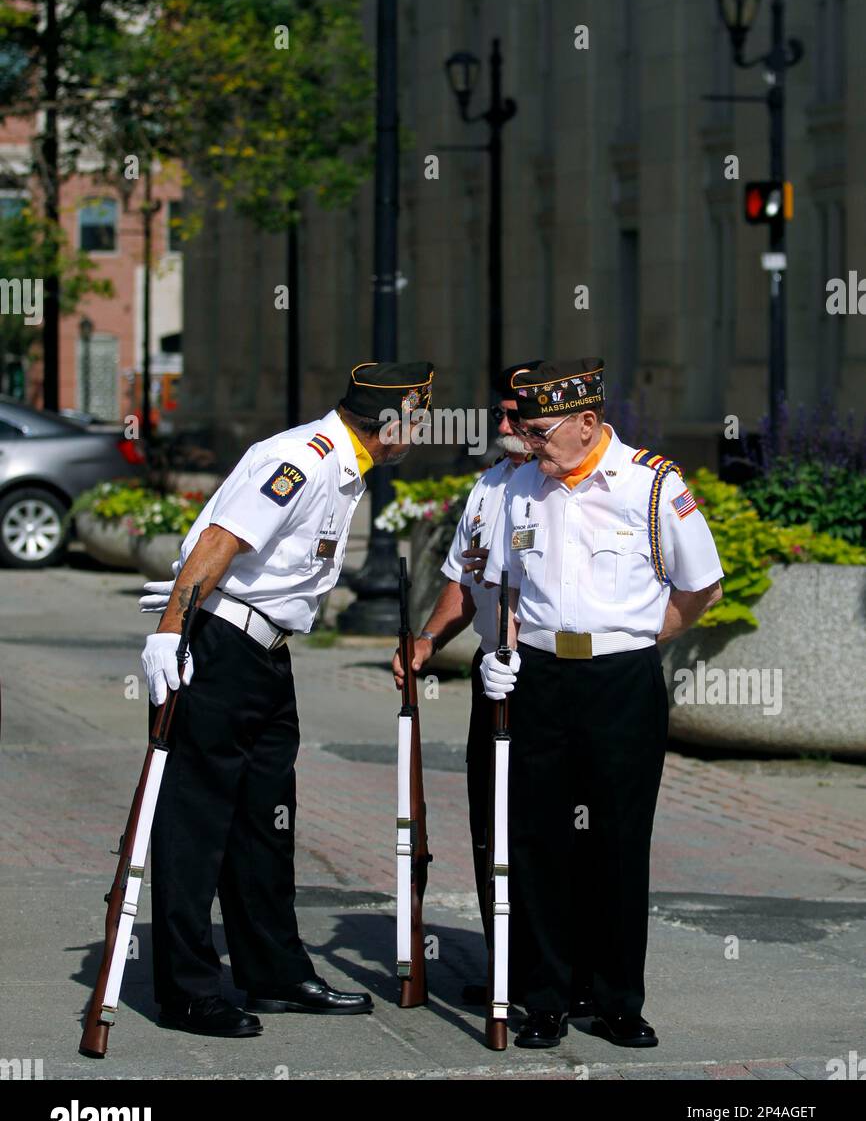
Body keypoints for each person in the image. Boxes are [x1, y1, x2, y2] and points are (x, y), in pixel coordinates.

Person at [140, 361, 434, 1038]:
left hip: (266, 654)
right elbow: (219, 541)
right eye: (416, 416)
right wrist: (169, 632)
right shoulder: (301, 460)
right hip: (218, 645)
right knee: (196, 821)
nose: (422, 428)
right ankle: (187, 990)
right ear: (389, 424)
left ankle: (272, 970)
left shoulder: (345, 466)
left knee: (266, 819)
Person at [482, 358, 724, 1050]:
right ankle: (546, 997)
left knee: (618, 839)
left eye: (541, 432)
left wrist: (642, 641)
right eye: (525, 431)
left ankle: (618, 999)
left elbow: (701, 586)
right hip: (538, 676)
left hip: (619, 680)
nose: (530, 445)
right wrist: (503, 654)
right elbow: (506, 587)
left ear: (588, 422)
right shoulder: (520, 487)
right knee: (536, 838)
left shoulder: (652, 486)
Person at [390, 362, 539, 1005]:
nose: (503, 427)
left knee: (558, 827)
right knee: (493, 822)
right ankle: (508, 962)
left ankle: (569, 974)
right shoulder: (488, 487)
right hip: (491, 671)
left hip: (548, 673)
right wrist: (429, 639)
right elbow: (463, 580)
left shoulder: (565, 487)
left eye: (515, 415)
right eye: (499, 415)